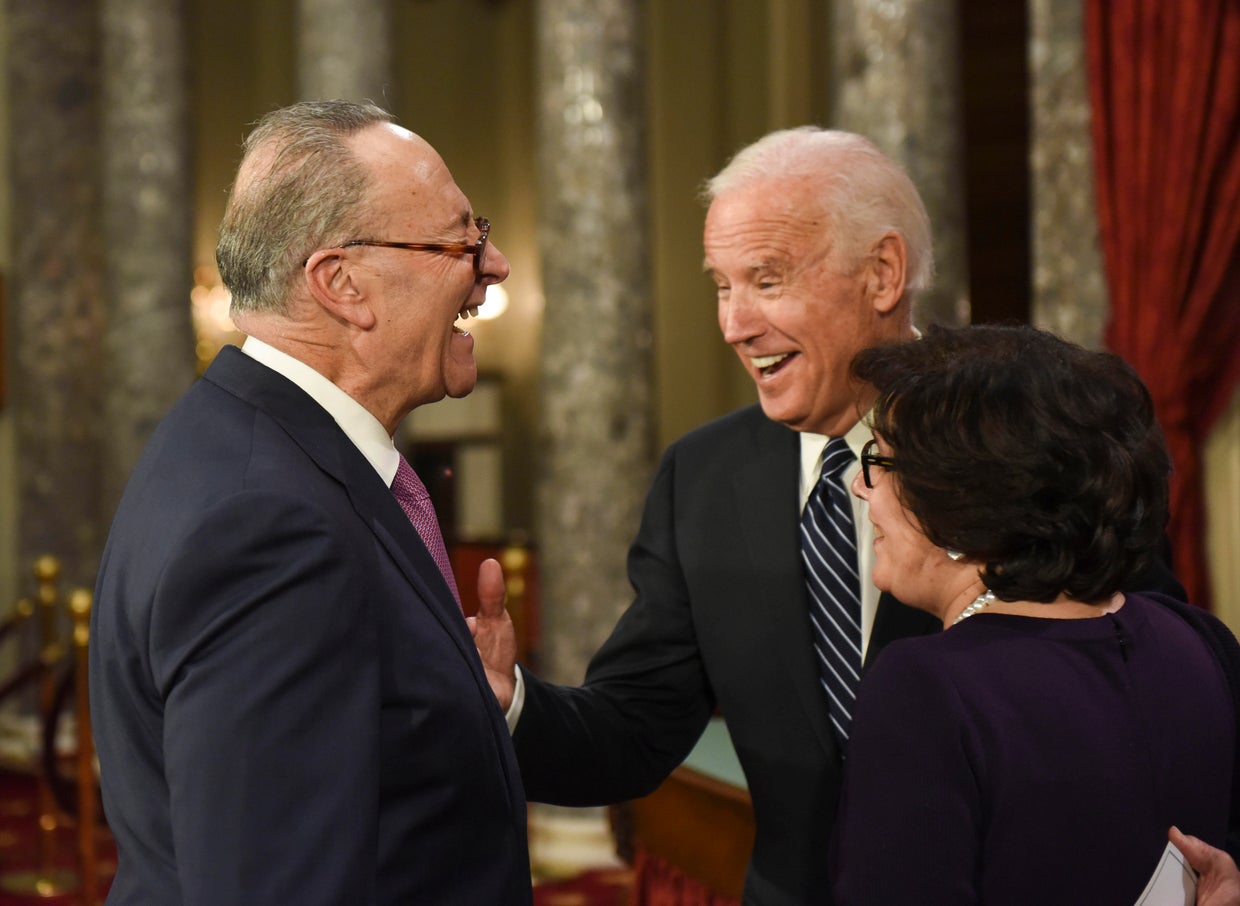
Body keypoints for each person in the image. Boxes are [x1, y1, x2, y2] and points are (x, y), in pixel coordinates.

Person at [476, 127, 1187, 906]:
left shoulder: (1034, 441)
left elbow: (1155, 685)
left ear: (883, 274)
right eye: (722, 284)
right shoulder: (703, 478)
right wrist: (508, 699)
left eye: (767, 280)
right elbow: (634, 728)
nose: (734, 324)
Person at [90, 100, 532, 905]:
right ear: (343, 284)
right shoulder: (269, 523)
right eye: (461, 239)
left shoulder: (251, 445)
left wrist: (466, 701)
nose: (494, 263)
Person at [828, 323, 1235, 904]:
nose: (862, 489)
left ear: (960, 511)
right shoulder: (1202, 641)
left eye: (882, 464)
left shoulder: (926, 689)